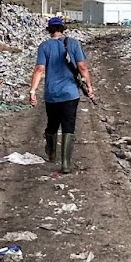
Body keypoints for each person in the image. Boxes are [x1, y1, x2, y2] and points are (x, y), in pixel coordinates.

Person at [28, 17, 94, 172]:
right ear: (63, 28)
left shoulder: (44, 46)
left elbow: (39, 69)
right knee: (68, 125)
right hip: (70, 93)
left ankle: (51, 153)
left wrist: (32, 91)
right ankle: (65, 163)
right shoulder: (74, 43)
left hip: (51, 94)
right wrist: (89, 87)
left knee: (52, 123)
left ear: (49, 30)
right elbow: (82, 67)